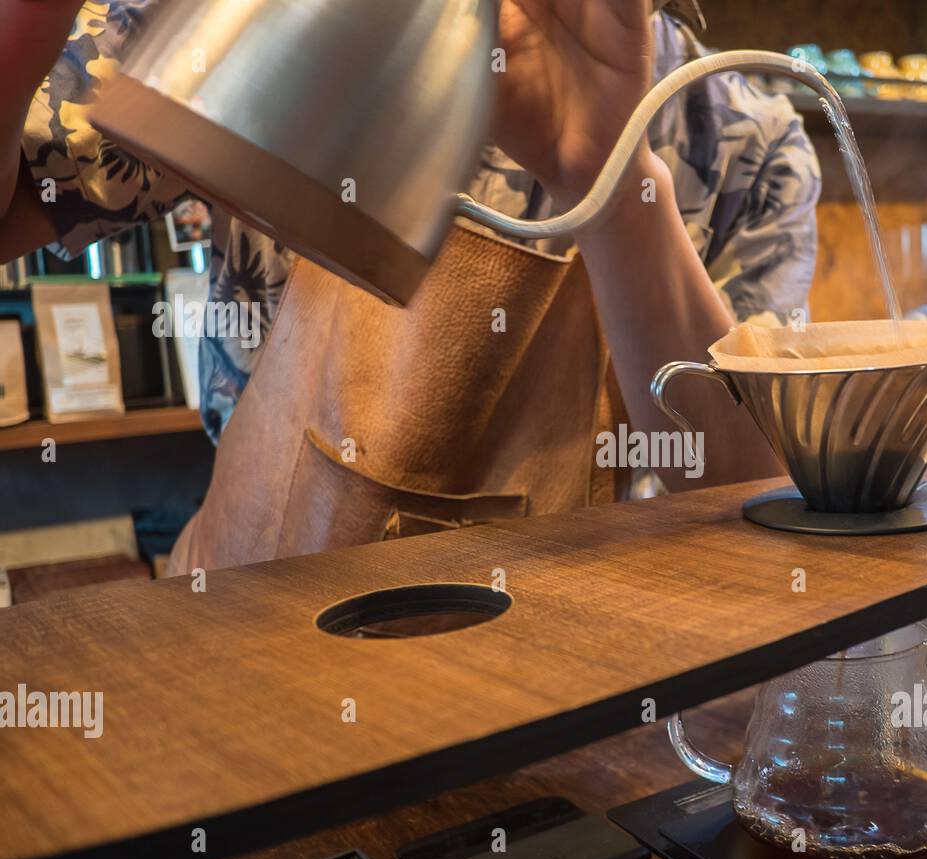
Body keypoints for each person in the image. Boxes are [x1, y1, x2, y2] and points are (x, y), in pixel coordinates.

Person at [1, 0, 822, 567]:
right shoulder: (277, 20)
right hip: (249, 636)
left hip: (571, 709)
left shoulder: (746, 139)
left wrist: (607, 179)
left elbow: (758, 511)